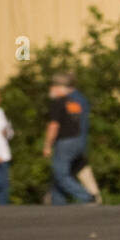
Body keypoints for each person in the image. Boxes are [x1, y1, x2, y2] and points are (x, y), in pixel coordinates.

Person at [42, 72, 97, 204]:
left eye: (53, 86)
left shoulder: (58, 103)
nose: (51, 88)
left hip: (65, 142)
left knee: (61, 175)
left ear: (60, 88)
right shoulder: (74, 103)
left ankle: (87, 197)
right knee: (59, 174)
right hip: (77, 141)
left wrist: (47, 145)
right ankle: (58, 204)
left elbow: (54, 126)